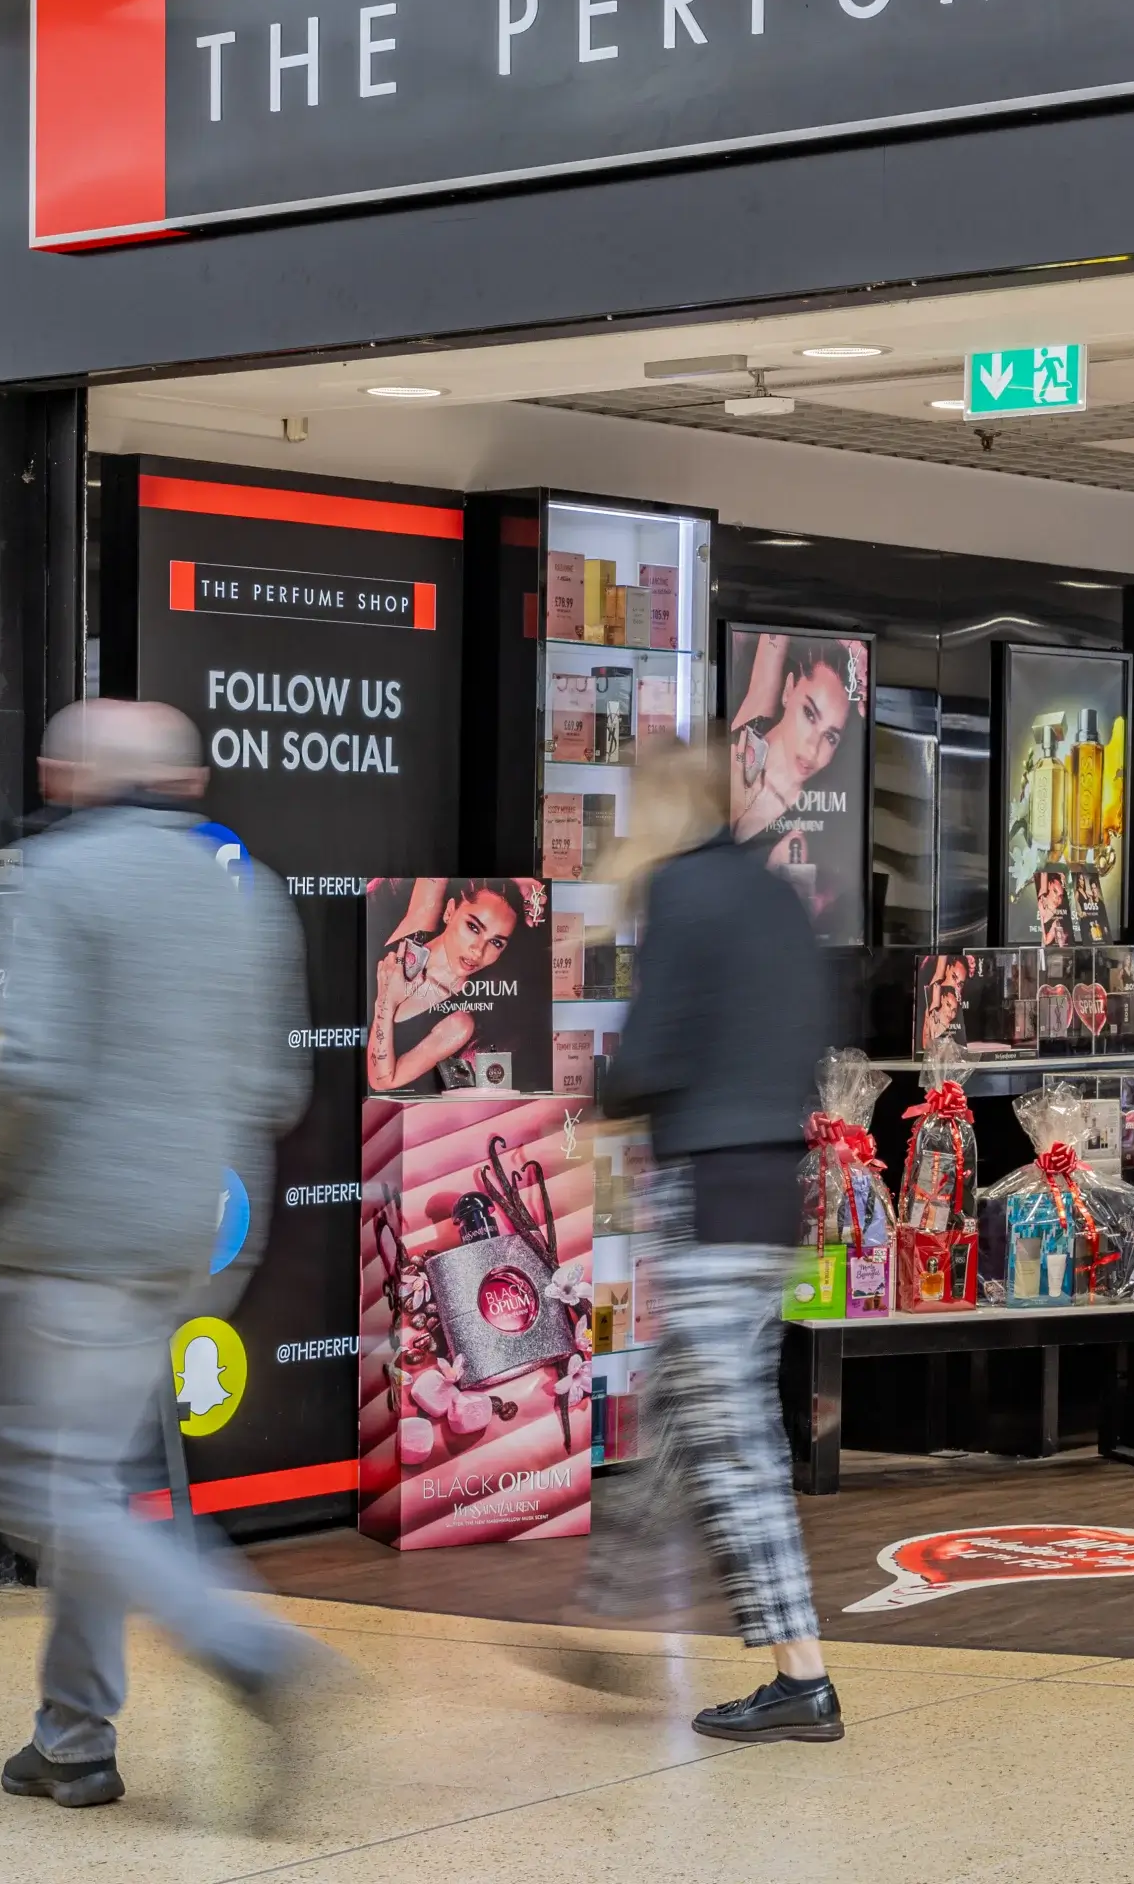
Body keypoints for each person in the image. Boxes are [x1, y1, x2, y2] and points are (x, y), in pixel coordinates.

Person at [0, 697, 330, 1813]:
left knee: (29, 1477)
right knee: (94, 1477)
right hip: (206, 1228)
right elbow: (278, 1088)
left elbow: (28, 1068)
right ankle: (72, 1736)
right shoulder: (251, 889)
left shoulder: (56, 878)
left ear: (75, 773)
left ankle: (249, 1645)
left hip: (85, 1227)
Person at [587, 734, 844, 1740]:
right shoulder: (775, 893)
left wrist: (600, 1101)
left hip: (711, 1190)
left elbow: (652, 1051)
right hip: (777, 1186)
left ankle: (801, 1675)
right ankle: (602, 1601)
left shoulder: (681, 895)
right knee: (689, 1399)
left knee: (731, 1440)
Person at [728, 632, 864, 927]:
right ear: (788, 690)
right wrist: (852, 645)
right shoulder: (753, 724)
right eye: (810, 714)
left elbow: (784, 929)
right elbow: (775, 627)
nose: (813, 748)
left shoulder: (801, 838)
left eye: (830, 736)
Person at [365, 874, 543, 1093]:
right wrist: (516, 878)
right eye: (473, 927)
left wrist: (387, 1000)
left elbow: (382, 1081)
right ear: (450, 912)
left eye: (496, 943)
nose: (478, 950)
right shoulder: (416, 930)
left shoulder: (458, 1023)